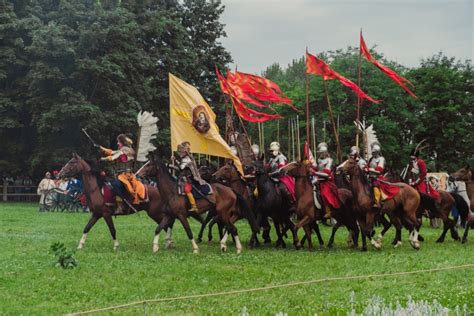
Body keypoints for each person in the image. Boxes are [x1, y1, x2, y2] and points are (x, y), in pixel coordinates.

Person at [99, 134, 146, 205]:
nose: (117, 143)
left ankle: (123, 201)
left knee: (115, 184)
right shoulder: (123, 149)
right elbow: (112, 152)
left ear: (123, 142)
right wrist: (100, 148)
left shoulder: (125, 150)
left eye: (119, 142)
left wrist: (104, 159)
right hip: (121, 174)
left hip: (126, 175)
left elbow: (113, 157)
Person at [173, 141, 208, 212]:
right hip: (184, 177)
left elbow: (181, 168)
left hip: (190, 178)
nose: (180, 153)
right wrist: (175, 160)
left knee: (187, 190)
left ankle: (194, 206)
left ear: (185, 152)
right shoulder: (185, 159)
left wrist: (173, 163)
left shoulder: (187, 159)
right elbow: (181, 165)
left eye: (181, 152)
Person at [311, 142, 341, 218]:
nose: (321, 154)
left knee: (325, 194)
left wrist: (315, 173)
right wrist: (310, 168)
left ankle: (329, 211)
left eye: (322, 153)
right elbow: (317, 168)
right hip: (318, 180)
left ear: (325, 153)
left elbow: (327, 172)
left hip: (327, 181)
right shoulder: (318, 160)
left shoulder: (329, 160)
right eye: (320, 153)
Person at [368, 141, 385, 208]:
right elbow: (367, 166)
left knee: (375, 185)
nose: (372, 154)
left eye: (374, 152)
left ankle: (377, 201)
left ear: (377, 152)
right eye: (372, 152)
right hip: (370, 177)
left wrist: (369, 170)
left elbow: (380, 171)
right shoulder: (371, 159)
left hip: (378, 177)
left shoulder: (381, 159)